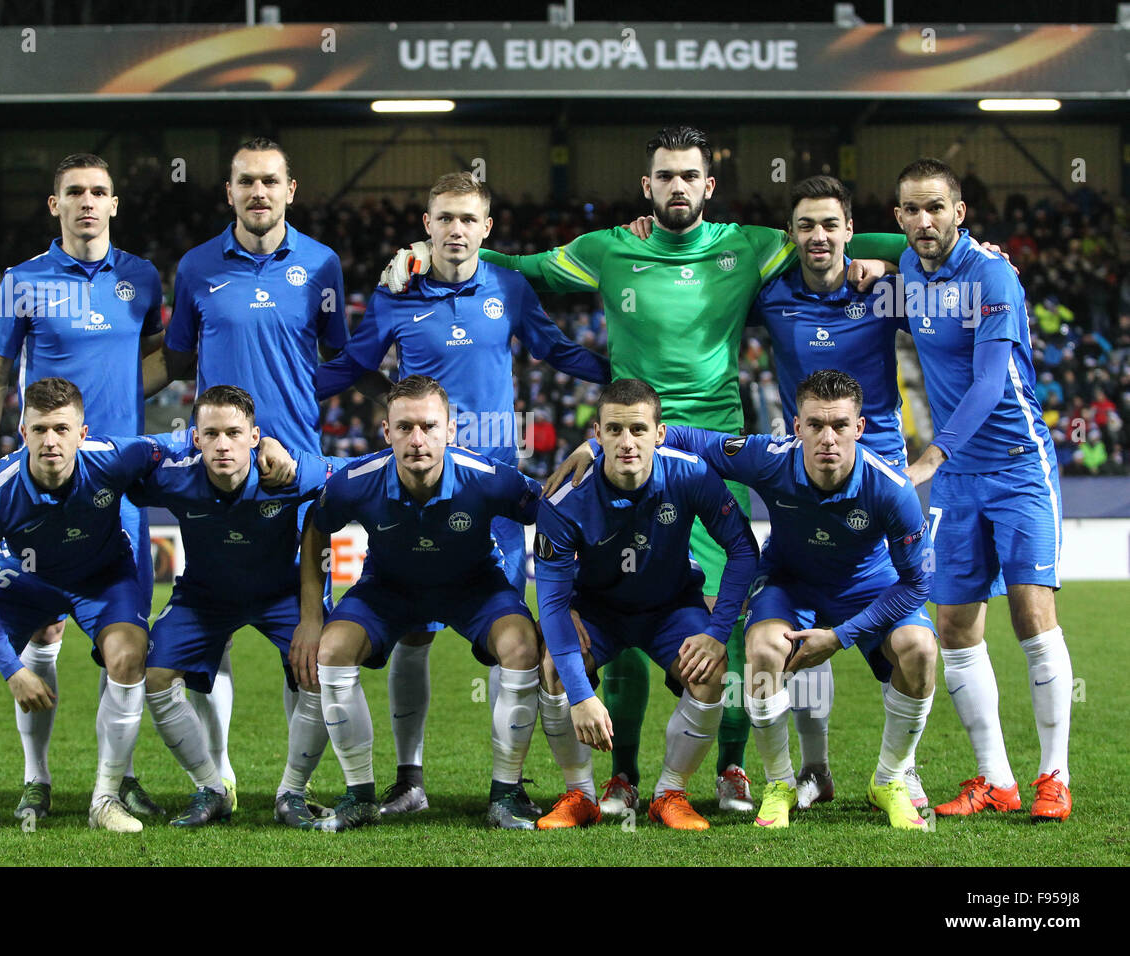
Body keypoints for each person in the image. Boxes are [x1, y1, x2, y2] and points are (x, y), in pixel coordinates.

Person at [384, 126, 908, 816]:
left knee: (723, 616)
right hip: (626, 445)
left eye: (690, 176)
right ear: (648, 186)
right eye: (666, 177)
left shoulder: (748, 244)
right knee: (622, 604)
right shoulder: (609, 248)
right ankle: (622, 777)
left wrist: (947, 253)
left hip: (713, 454)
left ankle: (730, 771)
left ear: (707, 185)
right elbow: (528, 266)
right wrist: (425, 251)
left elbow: (839, 238)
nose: (678, 187)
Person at [315, 171, 610, 815]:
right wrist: (281, 387)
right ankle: (409, 779)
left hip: (492, 499)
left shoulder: (508, 286)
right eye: (443, 218)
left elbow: (555, 349)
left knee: (513, 644)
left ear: (486, 229)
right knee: (412, 636)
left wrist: (623, 380)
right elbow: (353, 367)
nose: (455, 230)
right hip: (417, 485)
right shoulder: (395, 297)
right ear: (427, 225)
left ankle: (508, 786)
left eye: (467, 219)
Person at [556, 370, 937, 829]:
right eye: (815, 425)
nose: (827, 438)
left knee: (920, 648)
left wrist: (841, 636)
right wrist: (597, 446)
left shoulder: (891, 490)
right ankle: (779, 784)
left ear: (859, 428)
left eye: (839, 425)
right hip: (790, 581)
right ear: (796, 427)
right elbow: (677, 435)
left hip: (867, 586)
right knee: (761, 648)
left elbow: (917, 584)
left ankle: (891, 778)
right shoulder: (768, 458)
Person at [0, 153, 166, 823]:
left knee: (126, 638)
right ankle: (36, 778)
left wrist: (121, 434)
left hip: (115, 488)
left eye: (99, 191)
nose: (87, 201)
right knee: (40, 628)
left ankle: (120, 779)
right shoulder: (22, 281)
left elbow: (159, 358)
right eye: (74, 191)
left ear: (115, 204)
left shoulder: (140, 278)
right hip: (44, 475)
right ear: (54, 205)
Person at [149, 137, 348, 810]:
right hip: (216, 469)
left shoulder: (322, 266)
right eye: (245, 182)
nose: (257, 192)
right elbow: (176, 361)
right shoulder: (197, 267)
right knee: (207, 637)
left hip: (293, 481)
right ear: (228, 192)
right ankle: (220, 777)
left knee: (307, 657)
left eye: (270, 181)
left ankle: (294, 790)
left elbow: (339, 359)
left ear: (291, 189)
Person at [895, 159, 1072, 822]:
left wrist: (933, 454)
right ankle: (994, 779)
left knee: (1031, 615)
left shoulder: (992, 273)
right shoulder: (909, 264)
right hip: (960, 483)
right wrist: (864, 262)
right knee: (956, 626)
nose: (924, 221)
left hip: (1019, 465)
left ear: (960, 212)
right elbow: (861, 243)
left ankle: (1053, 776)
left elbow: (991, 382)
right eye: (912, 210)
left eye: (936, 207)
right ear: (898, 219)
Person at [745, 174, 922, 810]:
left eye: (830, 225)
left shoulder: (884, 292)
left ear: (850, 229)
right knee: (805, 619)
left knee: (906, 639)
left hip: (877, 473)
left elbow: (941, 257)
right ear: (790, 236)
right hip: (808, 467)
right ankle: (813, 770)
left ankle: (901, 770)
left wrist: (891, 257)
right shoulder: (769, 296)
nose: (818, 237)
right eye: (805, 226)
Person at [309, 375, 544, 831]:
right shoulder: (355, 482)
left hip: (473, 587)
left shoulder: (489, 478)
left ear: (450, 431)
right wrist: (311, 614)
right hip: (389, 590)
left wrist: (564, 605)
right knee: (332, 648)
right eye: (405, 427)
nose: (417, 439)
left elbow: (557, 509)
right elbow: (317, 526)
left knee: (522, 645)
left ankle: (506, 794)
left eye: (430, 427)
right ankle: (359, 796)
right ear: (386, 432)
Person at [0, 378, 171, 834]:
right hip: (25, 580)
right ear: (23, 432)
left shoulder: (114, 456)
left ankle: (104, 798)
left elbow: (176, 444)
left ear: (82, 434)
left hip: (101, 578)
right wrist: (12, 668)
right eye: (40, 428)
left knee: (128, 654)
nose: (51, 440)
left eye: (62, 429)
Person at [533, 379, 758, 830]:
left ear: (660, 433)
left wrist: (715, 634)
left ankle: (669, 794)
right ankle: (580, 795)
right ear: (595, 434)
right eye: (614, 430)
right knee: (555, 668)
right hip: (597, 611)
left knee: (710, 671)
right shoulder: (563, 499)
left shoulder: (691, 473)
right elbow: (553, 604)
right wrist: (581, 696)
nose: (626, 442)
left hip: (670, 609)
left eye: (638, 429)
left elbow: (743, 549)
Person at [125, 385, 337, 829]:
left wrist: (314, 616)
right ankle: (211, 787)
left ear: (256, 436)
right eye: (212, 434)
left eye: (234, 433)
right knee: (156, 676)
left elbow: (349, 478)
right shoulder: (174, 477)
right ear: (195, 439)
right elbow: (110, 474)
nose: (223, 445)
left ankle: (292, 794)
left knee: (321, 669)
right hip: (204, 596)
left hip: (281, 594)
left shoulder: (289, 473)